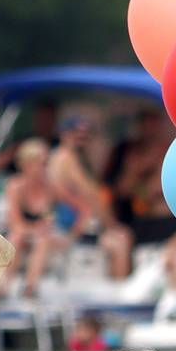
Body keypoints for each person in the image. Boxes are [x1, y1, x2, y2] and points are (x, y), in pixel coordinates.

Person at [49, 110, 134, 281]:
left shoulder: (67, 157)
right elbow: (90, 195)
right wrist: (110, 223)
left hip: (77, 223)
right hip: (72, 226)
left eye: (86, 135)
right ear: (65, 134)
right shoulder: (66, 158)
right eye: (77, 134)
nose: (82, 138)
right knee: (121, 240)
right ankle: (118, 288)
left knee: (119, 235)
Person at [106, 109, 176, 248]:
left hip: (162, 222)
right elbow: (122, 190)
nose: (149, 129)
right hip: (134, 219)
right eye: (145, 123)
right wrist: (139, 168)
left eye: (153, 123)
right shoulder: (129, 152)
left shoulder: (167, 153)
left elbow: (156, 190)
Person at [3, 138, 66, 297]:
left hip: (46, 237)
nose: (44, 168)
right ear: (26, 164)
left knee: (43, 238)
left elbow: (81, 207)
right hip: (24, 235)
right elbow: (16, 224)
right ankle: (4, 286)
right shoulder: (15, 186)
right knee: (17, 237)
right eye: (41, 163)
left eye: (46, 163)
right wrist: (35, 229)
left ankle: (30, 288)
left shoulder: (52, 186)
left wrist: (73, 232)